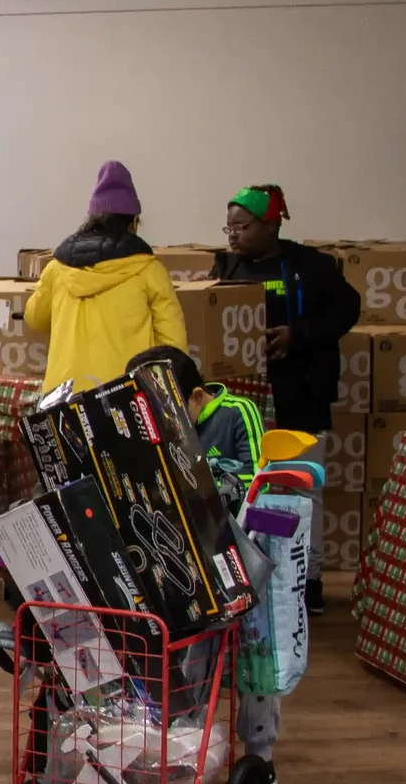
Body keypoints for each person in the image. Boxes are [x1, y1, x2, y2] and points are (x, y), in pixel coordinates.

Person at [212, 183, 359, 611]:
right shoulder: (224, 269)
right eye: (229, 226)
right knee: (241, 486)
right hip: (244, 404)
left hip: (300, 396)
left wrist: (299, 336)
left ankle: (308, 581)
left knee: (303, 488)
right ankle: (246, 579)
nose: (232, 234)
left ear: (270, 224)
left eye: (241, 225)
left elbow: (347, 308)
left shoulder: (310, 266)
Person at [24, 160, 186, 390]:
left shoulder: (56, 268)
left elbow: (34, 317)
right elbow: (173, 346)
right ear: (133, 222)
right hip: (125, 398)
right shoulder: (149, 270)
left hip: (62, 398)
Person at [128, 345, 264, 490]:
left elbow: (260, 480)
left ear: (197, 398)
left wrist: (198, 487)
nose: (163, 423)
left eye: (169, 412)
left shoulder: (238, 411)